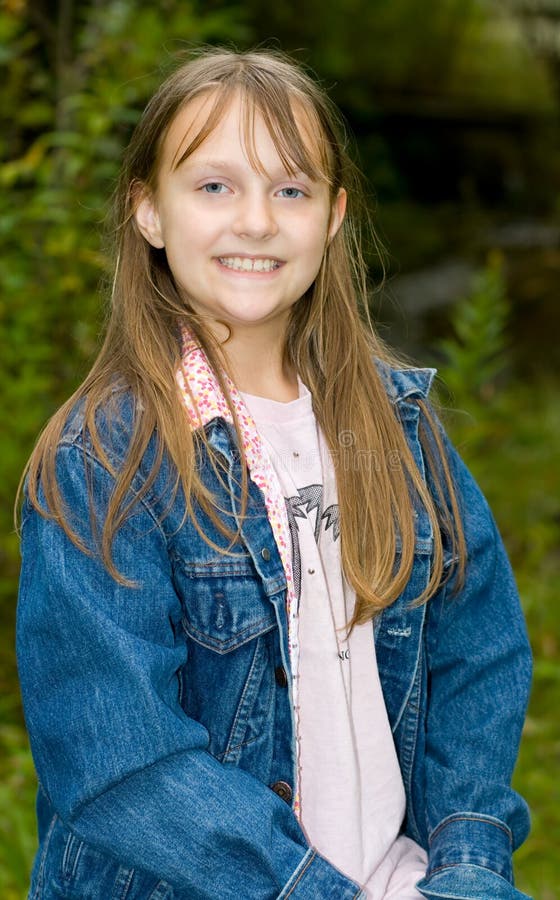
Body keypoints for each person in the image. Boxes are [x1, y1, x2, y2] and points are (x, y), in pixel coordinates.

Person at [16, 46, 533, 900]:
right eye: (214, 186)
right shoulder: (105, 462)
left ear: (331, 217)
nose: (255, 221)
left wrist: (467, 862)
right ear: (148, 211)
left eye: (289, 189)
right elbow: (121, 760)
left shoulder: (394, 429)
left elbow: (477, 656)